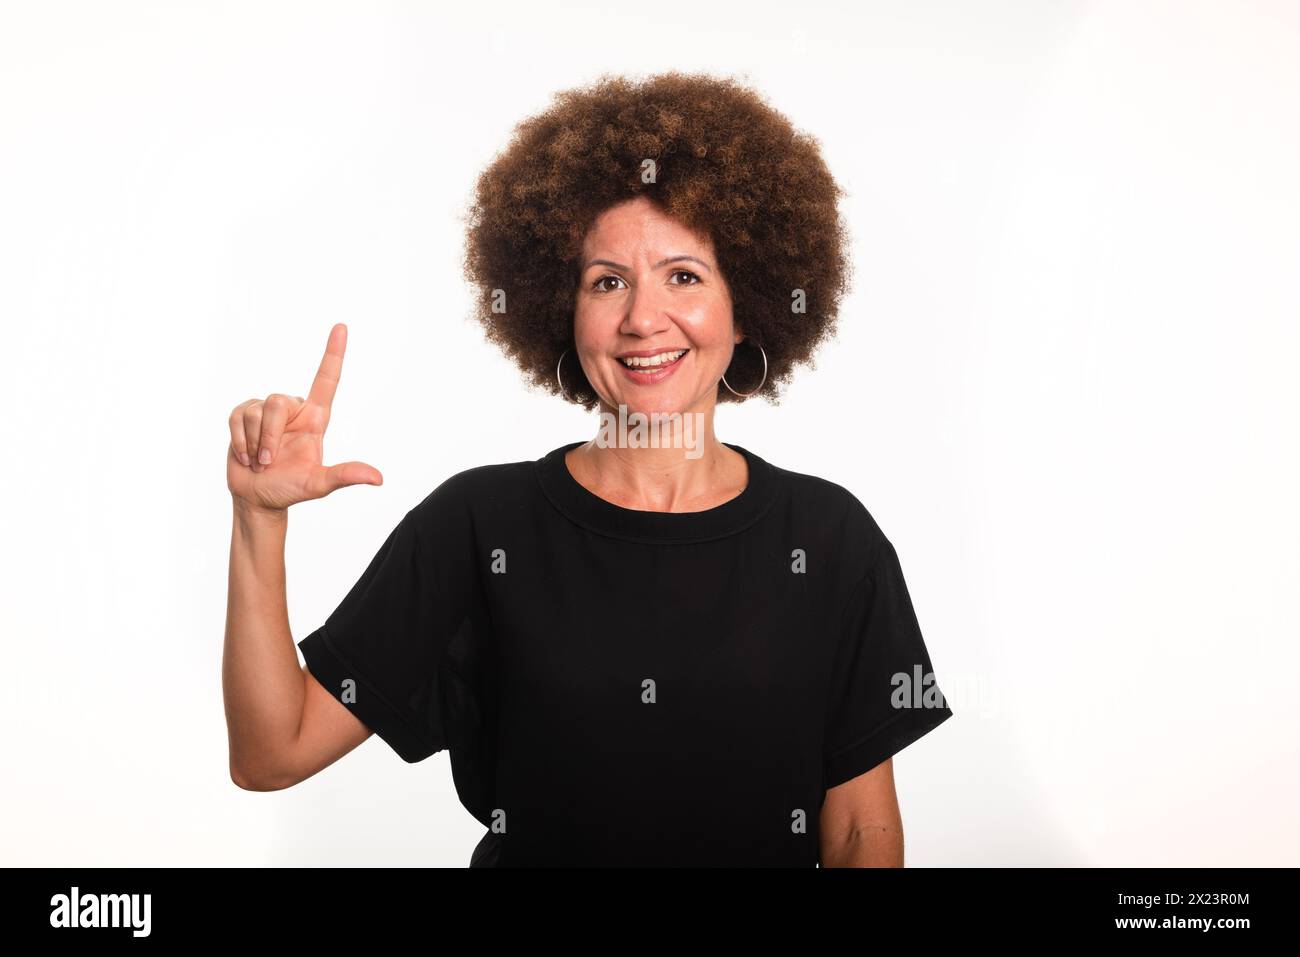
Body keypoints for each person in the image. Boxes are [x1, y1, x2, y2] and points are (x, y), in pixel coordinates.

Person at [223, 71, 954, 867]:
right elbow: (273, 752)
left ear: (745, 308)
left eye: (684, 275)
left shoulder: (829, 538)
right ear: (561, 313)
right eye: (607, 281)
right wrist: (259, 520)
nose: (643, 318)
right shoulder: (478, 524)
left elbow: (857, 829)